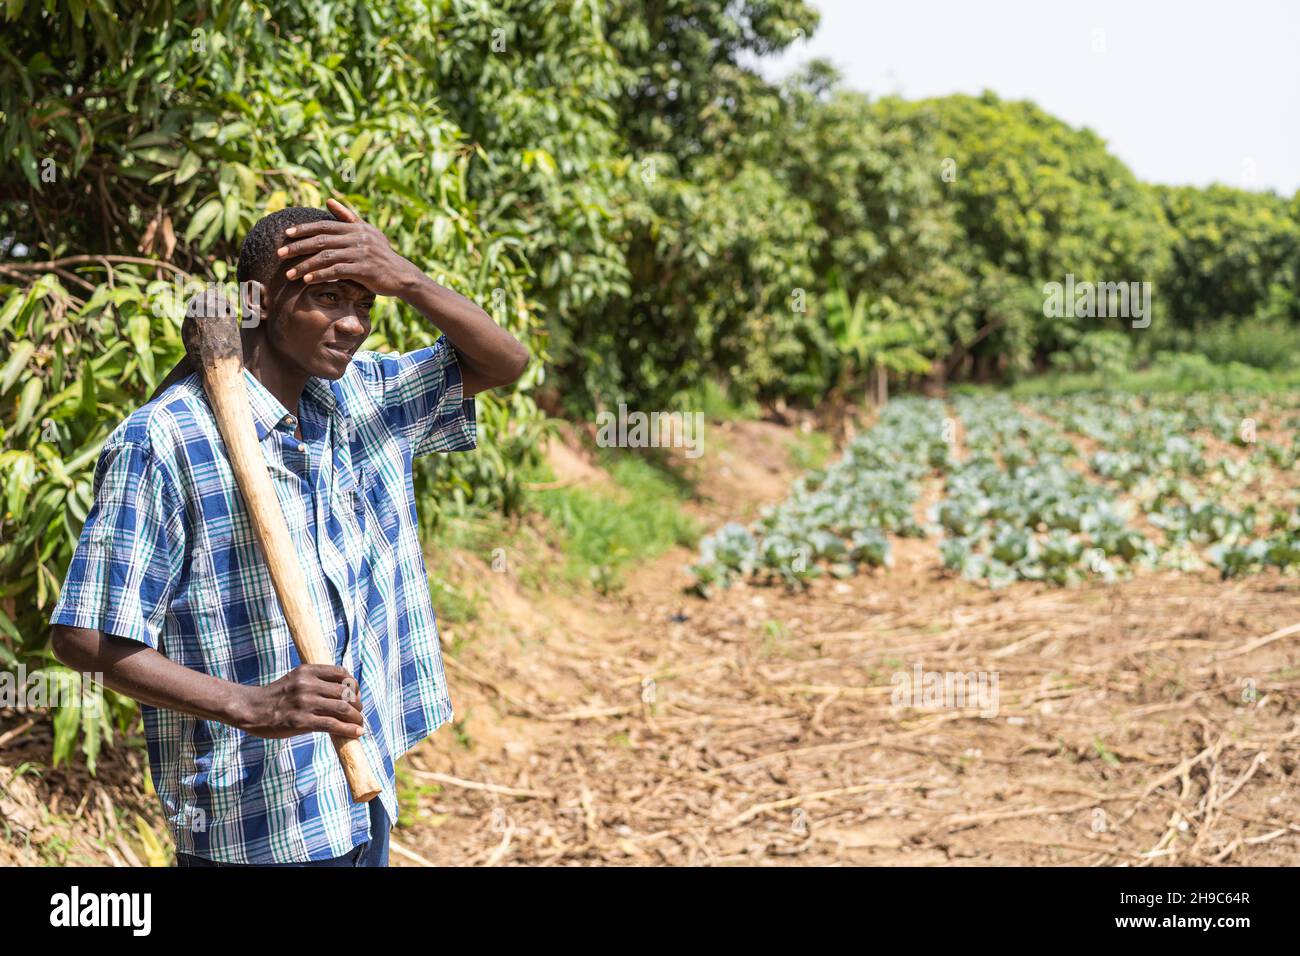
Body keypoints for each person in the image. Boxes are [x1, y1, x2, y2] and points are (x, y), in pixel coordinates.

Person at [49, 198, 528, 866]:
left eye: (367, 303)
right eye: (328, 298)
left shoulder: (368, 399)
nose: (353, 324)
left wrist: (408, 277)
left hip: (362, 793)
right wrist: (251, 705)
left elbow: (506, 362)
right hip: (254, 827)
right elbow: (82, 636)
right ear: (260, 300)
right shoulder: (165, 440)